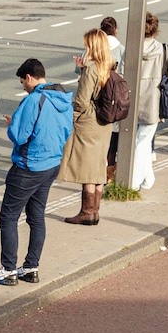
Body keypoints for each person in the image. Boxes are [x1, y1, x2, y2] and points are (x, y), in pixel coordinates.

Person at [0, 58, 72, 284]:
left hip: (28, 166)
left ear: (30, 78)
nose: (23, 86)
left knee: (8, 216)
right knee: (36, 216)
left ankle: (8, 269)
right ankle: (31, 267)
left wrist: (12, 124)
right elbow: (66, 130)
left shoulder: (33, 100)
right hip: (51, 164)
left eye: (23, 81)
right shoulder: (62, 97)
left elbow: (20, 135)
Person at [59, 28, 118, 225]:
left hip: (90, 121)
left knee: (87, 167)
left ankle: (87, 211)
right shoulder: (110, 66)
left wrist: (72, 118)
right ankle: (95, 211)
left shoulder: (91, 69)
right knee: (99, 165)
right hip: (105, 121)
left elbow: (82, 100)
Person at [130, 10, 168, 190]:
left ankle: (145, 180)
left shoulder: (131, 49)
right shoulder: (163, 50)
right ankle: (135, 182)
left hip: (133, 100)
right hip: (153, 101)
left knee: (140, 140)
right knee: (143, 140)